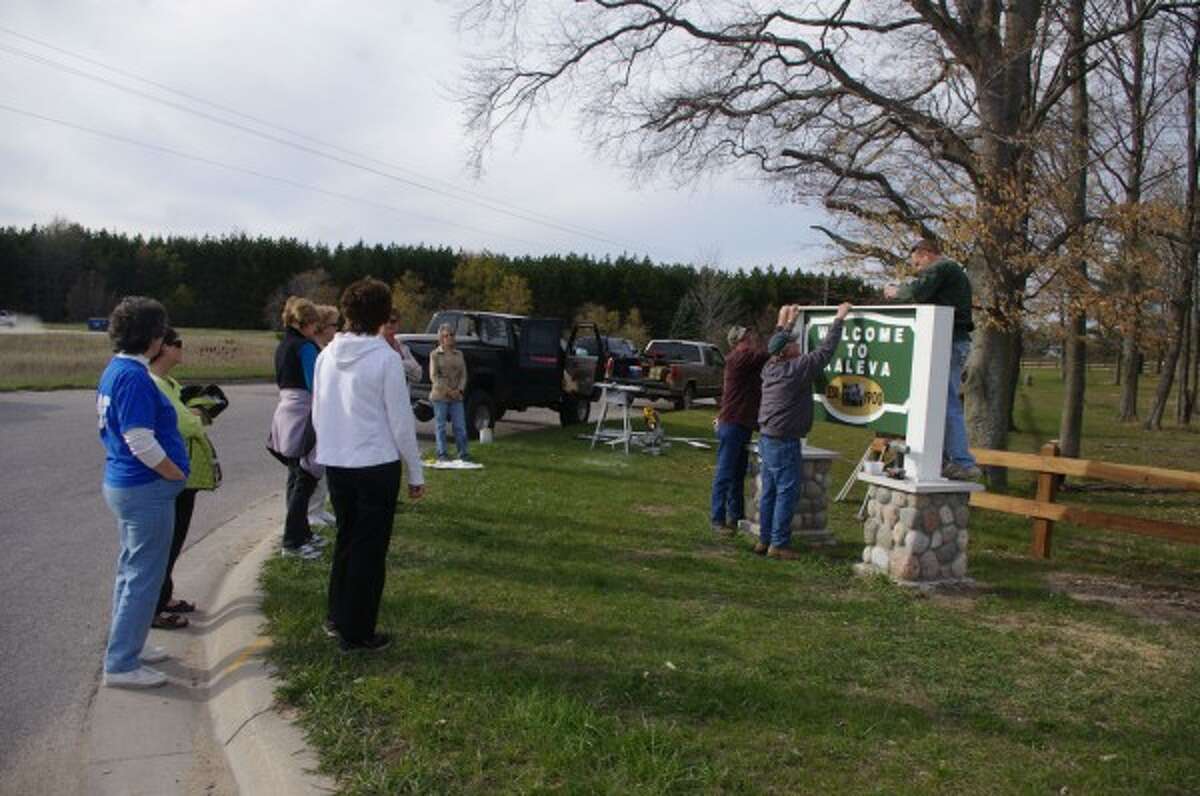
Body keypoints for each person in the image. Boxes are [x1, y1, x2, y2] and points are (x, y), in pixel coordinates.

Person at [312, 277, 426, 652]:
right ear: (381, 315)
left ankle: (336, 615)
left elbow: (319, 412)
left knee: (347, 538)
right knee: (369, 550)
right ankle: (356, 632)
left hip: (339, 463)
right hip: (375, 463)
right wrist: (416, 470)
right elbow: (400, 421)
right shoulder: (384, 359)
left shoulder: (326, 354)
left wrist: (327, 451)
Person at [96, 296, 189, 688]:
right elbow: (139, 440)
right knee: (143, 576)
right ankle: (121, 664)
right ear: (153, 337)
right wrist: (172, 474)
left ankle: (129, 645)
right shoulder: (134, 377)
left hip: (128, 485)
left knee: (131, 572)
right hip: (144, 487)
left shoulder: (116, 370)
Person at [755, 301, 851, 560]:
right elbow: (826, 351)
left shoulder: (770, 367)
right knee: (787, 492)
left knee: (769, 492)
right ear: (787, 352)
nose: (799, 345)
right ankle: (779, 544)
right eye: (794, 343)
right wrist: (839, 318)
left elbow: (778, 344)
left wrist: (789, 321)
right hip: (784, 441)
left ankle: (764, 541)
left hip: (766, 437)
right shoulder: (797, 369)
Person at [883, 239, 981, 480]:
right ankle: (945, 459)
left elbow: (915, 292)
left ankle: (962, 461)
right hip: (948, 341)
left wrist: (896, 291)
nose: (916, 268)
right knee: (937, 402)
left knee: (946, 402)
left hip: (947, 342)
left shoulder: (942, 268)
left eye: (916, 262)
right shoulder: (951, 274)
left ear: (926, 254)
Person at [148, 327, 222, 630]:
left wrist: (196, 410)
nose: (182, 348)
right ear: (162, 348)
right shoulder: (154, 384)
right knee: (164, 543)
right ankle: (153, 608)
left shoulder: (170, 382)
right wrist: (198, 414)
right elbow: (184, 424)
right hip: (169, 474)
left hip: (184, 474)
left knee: (175, 540)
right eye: (177, 344)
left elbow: (188, 418)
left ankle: (163, 596)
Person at [267, 297, 327, 559]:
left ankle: (301, 533)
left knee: (295, 477)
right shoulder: (305, 347)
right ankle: (292, 541)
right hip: (304, 414)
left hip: (286, 412)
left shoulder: (283, 345)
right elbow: (318, 386)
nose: (317, 329)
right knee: (305, 479)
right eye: (315, 324)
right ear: (306, 323)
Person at [709, 323, 769, 536]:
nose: (750, 339)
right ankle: (717, 519)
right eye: (746, 337)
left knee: (736, 474)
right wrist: (784, 325)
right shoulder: (739, 358)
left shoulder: (744, 359)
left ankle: (735, 517)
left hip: (740, 424)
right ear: (738, 342)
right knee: (725, 473)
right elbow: (768, 353)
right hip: (732, 423)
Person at [306, 304, 340, 529]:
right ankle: (310, 511)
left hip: (329, 411)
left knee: (324, 463)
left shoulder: (327, 349)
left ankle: (319, 508)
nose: (337, 330)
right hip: (315, 412)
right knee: (314, 463)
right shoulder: (314, 350)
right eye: (334, 325)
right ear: (321, 327)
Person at [429, 323, 470, 462]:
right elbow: (434, 376)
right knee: (440, 426)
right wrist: (448, 391)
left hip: (457, 395)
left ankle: (463, 453)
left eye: (452, 335)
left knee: (460, 426)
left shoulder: (459, 354)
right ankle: (442, 454)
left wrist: (459, 390)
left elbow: (464, 375)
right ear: (441, 338)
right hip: (440, 395)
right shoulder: (434, 354)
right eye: (446, 335)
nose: (449, 338)